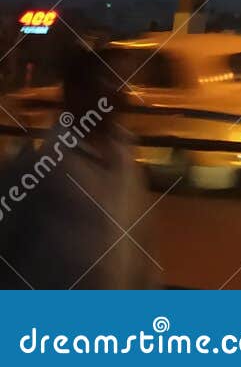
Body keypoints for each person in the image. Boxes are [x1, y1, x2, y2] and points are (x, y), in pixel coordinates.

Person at [0, 43, 157, 289]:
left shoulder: (126, 160)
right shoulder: (40, 165)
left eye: (123, 82)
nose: (120, 92)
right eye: (108, 82)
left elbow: (140, 244)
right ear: (76, 93)